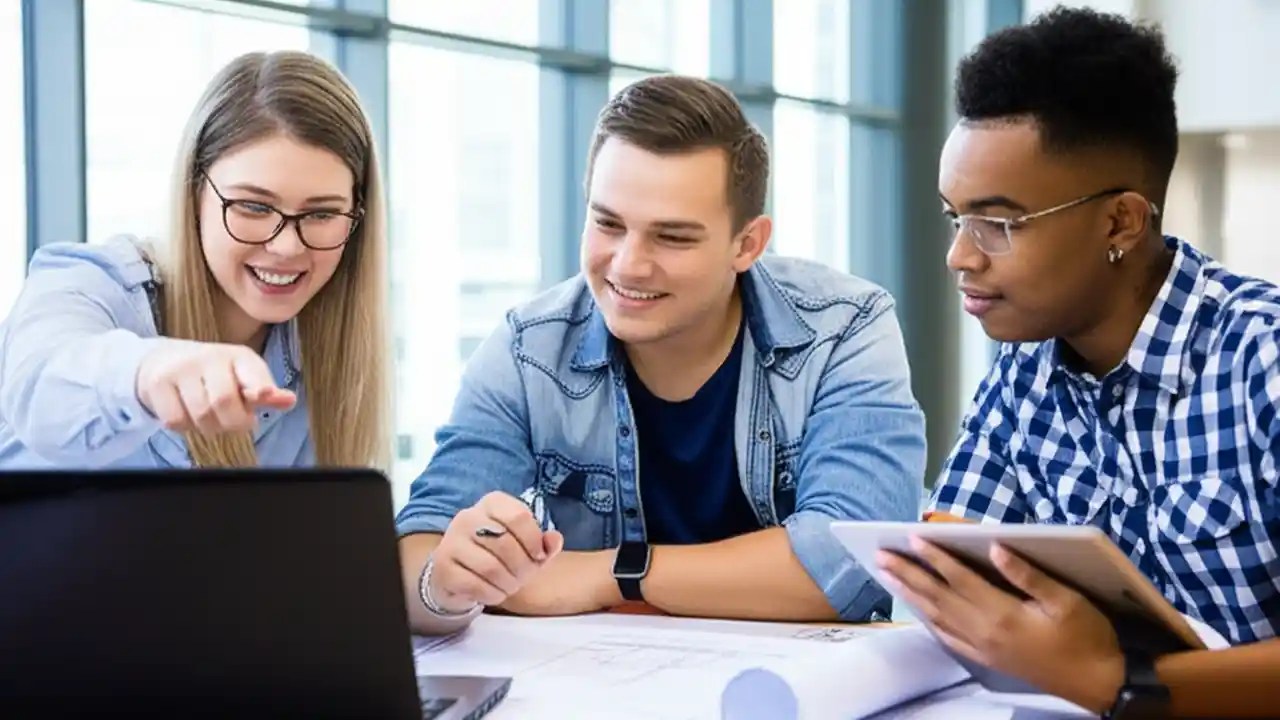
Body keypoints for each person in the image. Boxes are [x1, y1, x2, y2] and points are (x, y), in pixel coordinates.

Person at [397, 75, 926, 634]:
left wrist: (615, 574)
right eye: (607, 223)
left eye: (671, 237)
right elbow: (415, 557)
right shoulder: (529, 348)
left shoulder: (845, 327)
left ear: (747, 244)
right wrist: (448, 582)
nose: (627, 265)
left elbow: (856, 563)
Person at [876, 7, 1278, 718]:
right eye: (955, 217)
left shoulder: (1262, 359)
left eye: (997, 224)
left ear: (1120, 222)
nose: (959, 257)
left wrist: (1114, 684)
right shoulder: (1021, 369)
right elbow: (952, 556)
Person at [0, 50, 391, 470]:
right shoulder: (93, 283)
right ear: (194, 196)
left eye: (321, 214)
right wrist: (150, 372)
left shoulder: (321, 351)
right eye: (254, 207)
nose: (287, 247)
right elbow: (40, 386)